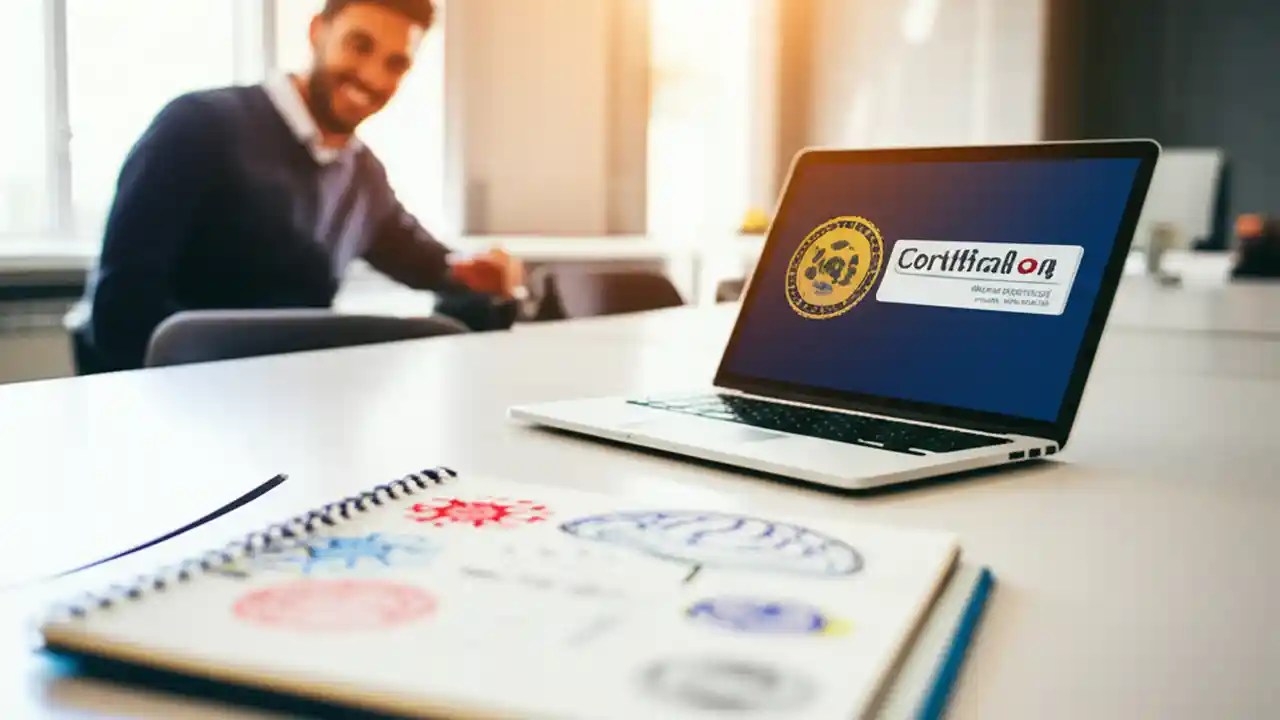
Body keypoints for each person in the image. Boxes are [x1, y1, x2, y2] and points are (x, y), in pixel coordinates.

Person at [75, 0, 521, 373]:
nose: (372, 77)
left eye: (396, 63)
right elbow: (121, 311)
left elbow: (428, 261)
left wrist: (477, 271)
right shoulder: (197, 127)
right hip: (186, 413)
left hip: (295, 410)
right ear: (317, 31)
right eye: (359, 45)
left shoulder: (362, 174)